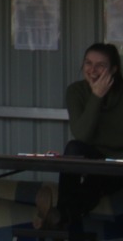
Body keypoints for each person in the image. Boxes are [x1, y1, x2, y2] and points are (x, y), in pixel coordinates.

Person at [52, 42, 123, 235]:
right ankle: (64, 216)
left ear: (113, 70)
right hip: (93, 158)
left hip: (119, 162)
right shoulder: (76, 91)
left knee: (94, 185)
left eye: (100, 65)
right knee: (73, 148)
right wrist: (96, 97)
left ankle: (59, 217)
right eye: (88, 63)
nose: (93, 70)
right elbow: (82, 135)